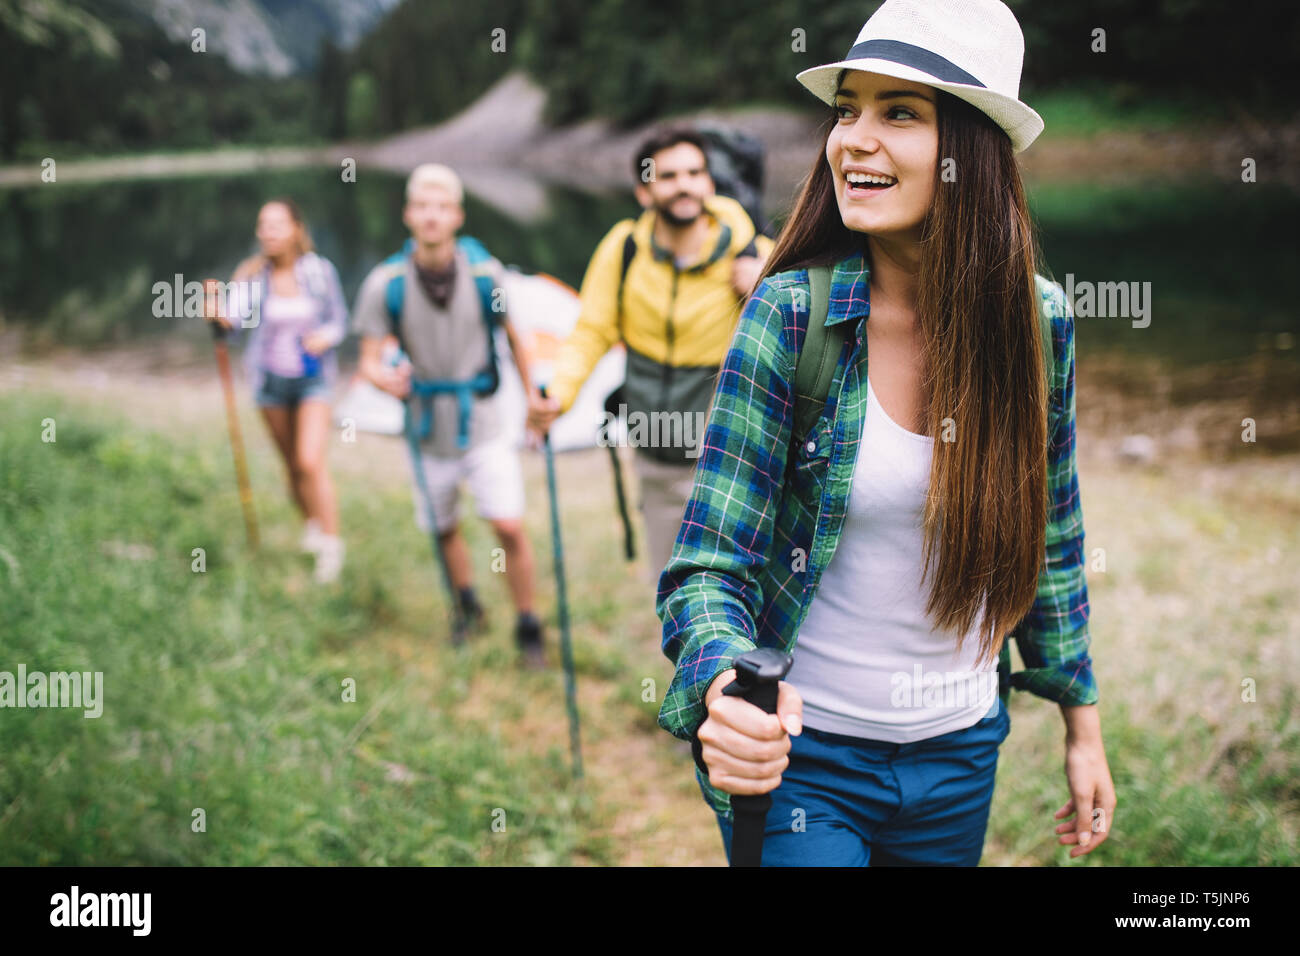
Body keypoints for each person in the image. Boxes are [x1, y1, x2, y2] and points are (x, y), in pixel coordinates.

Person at [656, 0, 1116, 866]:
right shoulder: (790, 317)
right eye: (847, 110)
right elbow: (708, 564)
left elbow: (1052, 534)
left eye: (898, 112)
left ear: (972, 151)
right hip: (804, 757)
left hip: (961, 750)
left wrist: (1080, 726)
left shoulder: (1040, 322)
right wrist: (722, 682)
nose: (851, 140)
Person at [527, 126, 774, 585]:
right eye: (669, 175)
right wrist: (558, 396)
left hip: (728, 459)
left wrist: (765, 288)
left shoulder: (755, 257)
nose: (685, 185)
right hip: (655, 455)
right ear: (644, 191)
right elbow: (591, 331)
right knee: (670, 590)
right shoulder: (624, 250)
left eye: (696, 172)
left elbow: (806, 333)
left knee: (733, 589)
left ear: (709, 182)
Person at [353, 164, 548, 666]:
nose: (432, 216)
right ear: (408, 216)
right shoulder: (385, 284)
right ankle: (466, 606)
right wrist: (383, 379)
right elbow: (369, 360)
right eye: (422, 207)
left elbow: (517, 338)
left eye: (441, 207)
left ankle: (528, 622)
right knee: (443, 527)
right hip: (425, 427)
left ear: (457, 215)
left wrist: (534, 398)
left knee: (506, 525)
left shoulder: (488, 276)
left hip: (483, 422)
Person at [211, 198, 348, 583]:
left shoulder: (320, 273)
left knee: (309, 461)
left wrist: (325, 337)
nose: (267, 232)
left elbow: (340, 321)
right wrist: (215, 314)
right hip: (269, 383)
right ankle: (312, 525)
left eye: (276, 224)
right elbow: (231, 325)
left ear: (296, 230)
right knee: (291, 465)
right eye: (262, 225)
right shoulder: (252, 276)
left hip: (313, 380)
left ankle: (332, 546)